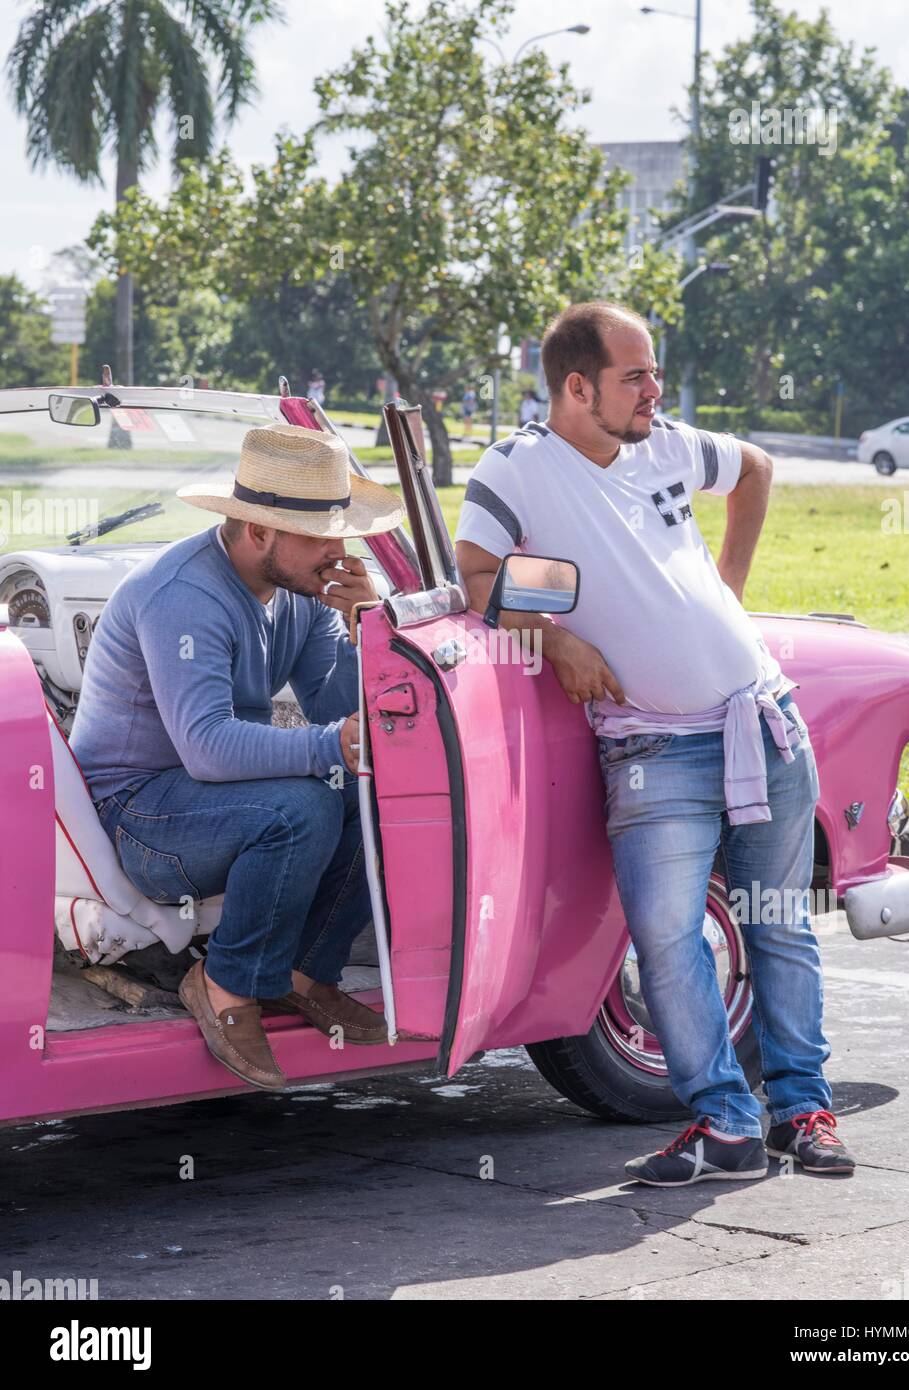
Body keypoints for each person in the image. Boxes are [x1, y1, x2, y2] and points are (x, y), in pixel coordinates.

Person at [455, 301, 854, 1185]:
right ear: (574, 387)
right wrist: (556, 640)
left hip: (764, 722)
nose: (653, 389)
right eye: (634, 375)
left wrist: (726, 586)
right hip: (651, 749)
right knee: (668, 938)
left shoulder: (665, 443)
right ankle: (725, 1123)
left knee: (777, 927)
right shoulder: (517, 467)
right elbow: (475, 576)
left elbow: (755, 468)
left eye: (653, 372)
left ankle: (804, 1110)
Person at [70, 423, 406, 1090]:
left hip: (201, 798)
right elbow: (207, 748)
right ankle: (225, 984)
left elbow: (332, 706)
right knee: (301, 805)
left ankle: (302, 976)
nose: (337, 552)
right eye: (318, 535)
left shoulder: (302, 594)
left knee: (377, 786)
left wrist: (368, 628)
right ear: (258, 531)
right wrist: (330, 746)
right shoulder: (184, 596)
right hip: (135, 811)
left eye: (341, 530)